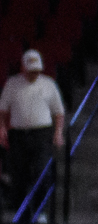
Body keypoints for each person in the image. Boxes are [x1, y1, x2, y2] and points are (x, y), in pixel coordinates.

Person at [2, 48, 65, 207]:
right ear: (23, 68)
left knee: (42, 172)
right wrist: (2, 128)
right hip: (19, 134)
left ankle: (40, 210)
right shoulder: (12, 84)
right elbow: (3, 110)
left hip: (42, 133)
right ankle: (19, 214)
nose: (34, 74)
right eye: (31, 71)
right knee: (19, 175)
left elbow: (58, 112)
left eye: (36, 71)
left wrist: (58, 133)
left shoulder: (48, 84)